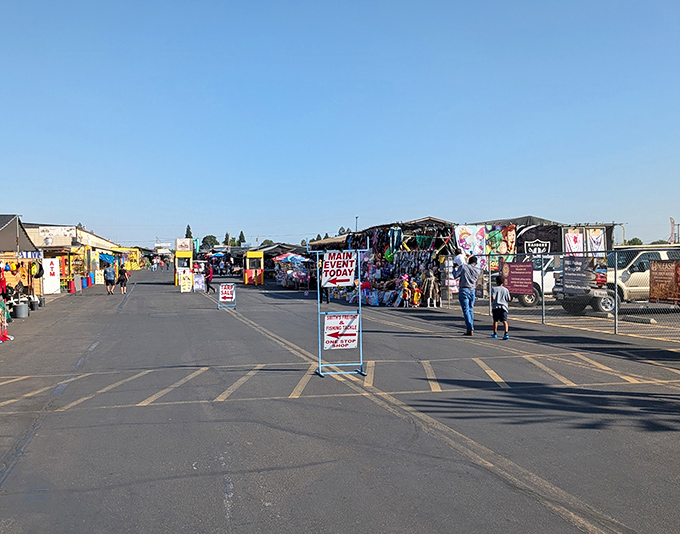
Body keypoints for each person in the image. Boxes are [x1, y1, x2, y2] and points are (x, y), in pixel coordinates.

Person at [453, 256, 482, 335]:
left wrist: (454, 268)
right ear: (475, 263)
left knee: (466, 309)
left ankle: (469, 327)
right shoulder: (478, 270)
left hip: (464, 289)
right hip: (472, 289)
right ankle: (470, 326)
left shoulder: (463, 267)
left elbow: (456, 275)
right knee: (470, 309)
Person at [491, 275, 511, 340]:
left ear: (497, 282)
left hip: (496, 307)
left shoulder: (494, 289)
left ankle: (495, 333)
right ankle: (506, 333)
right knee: (504, 320)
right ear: (503, 282)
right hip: (504, 307)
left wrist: (492, 301)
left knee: (495, 320)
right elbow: (509, 299)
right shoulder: (506, 290)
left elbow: (493, 297)